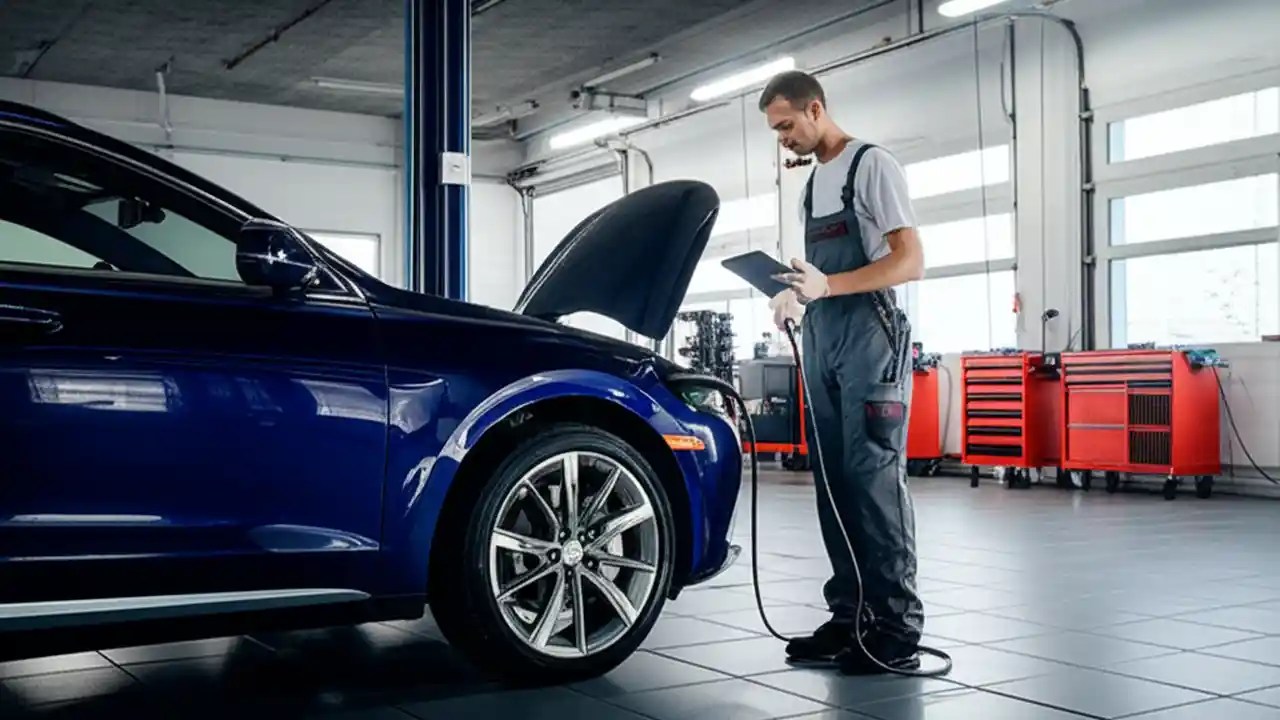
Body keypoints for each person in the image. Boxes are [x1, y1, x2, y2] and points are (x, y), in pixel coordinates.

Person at [758, 70, 926, 674]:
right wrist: (798, 293)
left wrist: (830, 285)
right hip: (825, 331)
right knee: (832, 481)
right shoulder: (813, 184)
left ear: (815, 109)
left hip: (870, 334)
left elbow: (910, 261)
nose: (782, 140)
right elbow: (822, 270)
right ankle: (849, 615)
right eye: (775, 131)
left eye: (785, 126)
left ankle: (896, 626)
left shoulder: (870, 165)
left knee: (872, 477)